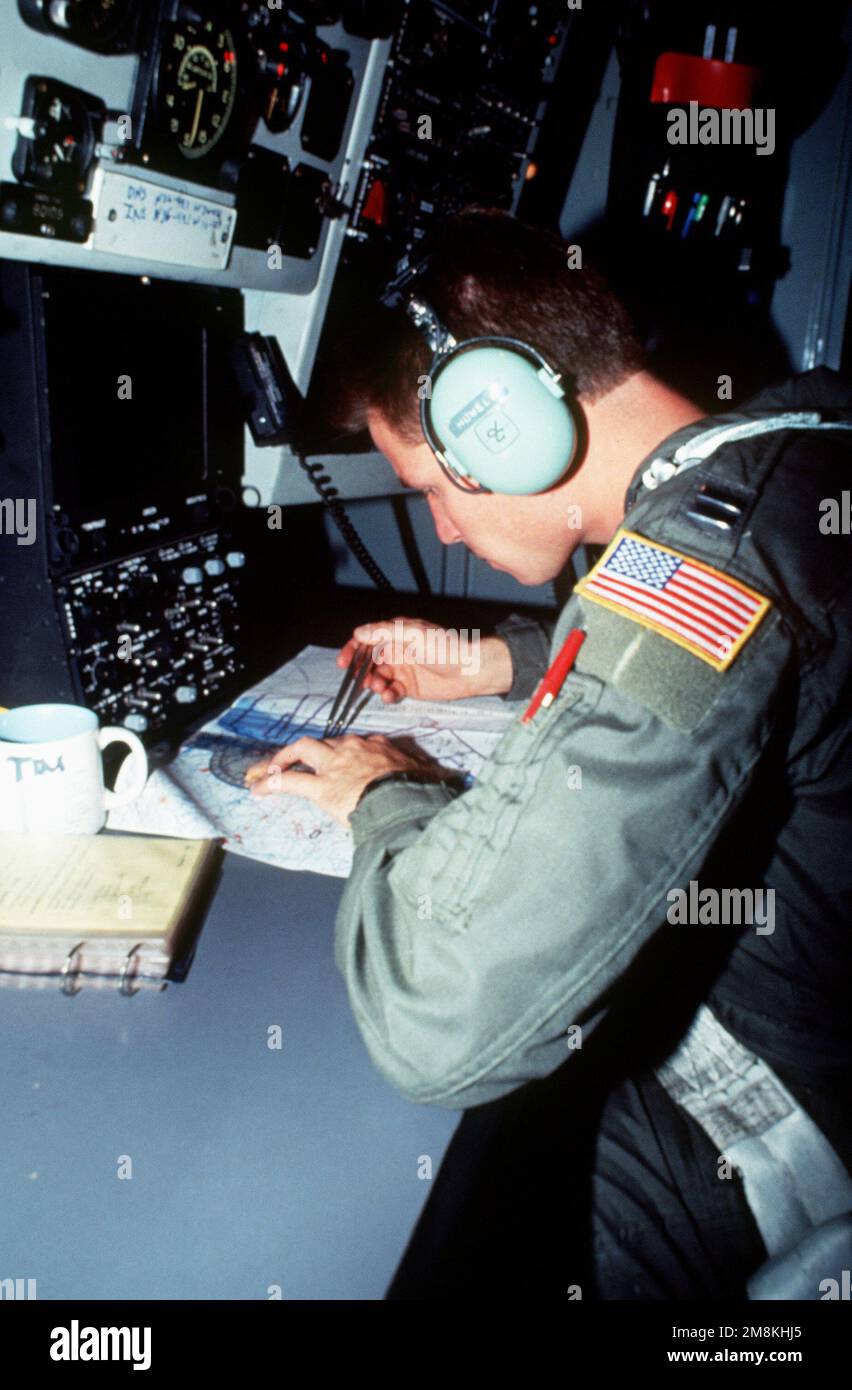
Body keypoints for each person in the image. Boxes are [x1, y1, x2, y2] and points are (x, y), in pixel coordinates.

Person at [246, 208, 852, 1299]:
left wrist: (386, 790)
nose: (439, 530)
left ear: (505, 426)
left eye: (431, 487)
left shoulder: (712, 562)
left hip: (787, 1106)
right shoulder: (789, 454)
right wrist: (498, 663)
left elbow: (439, 1016)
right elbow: (722, 657)